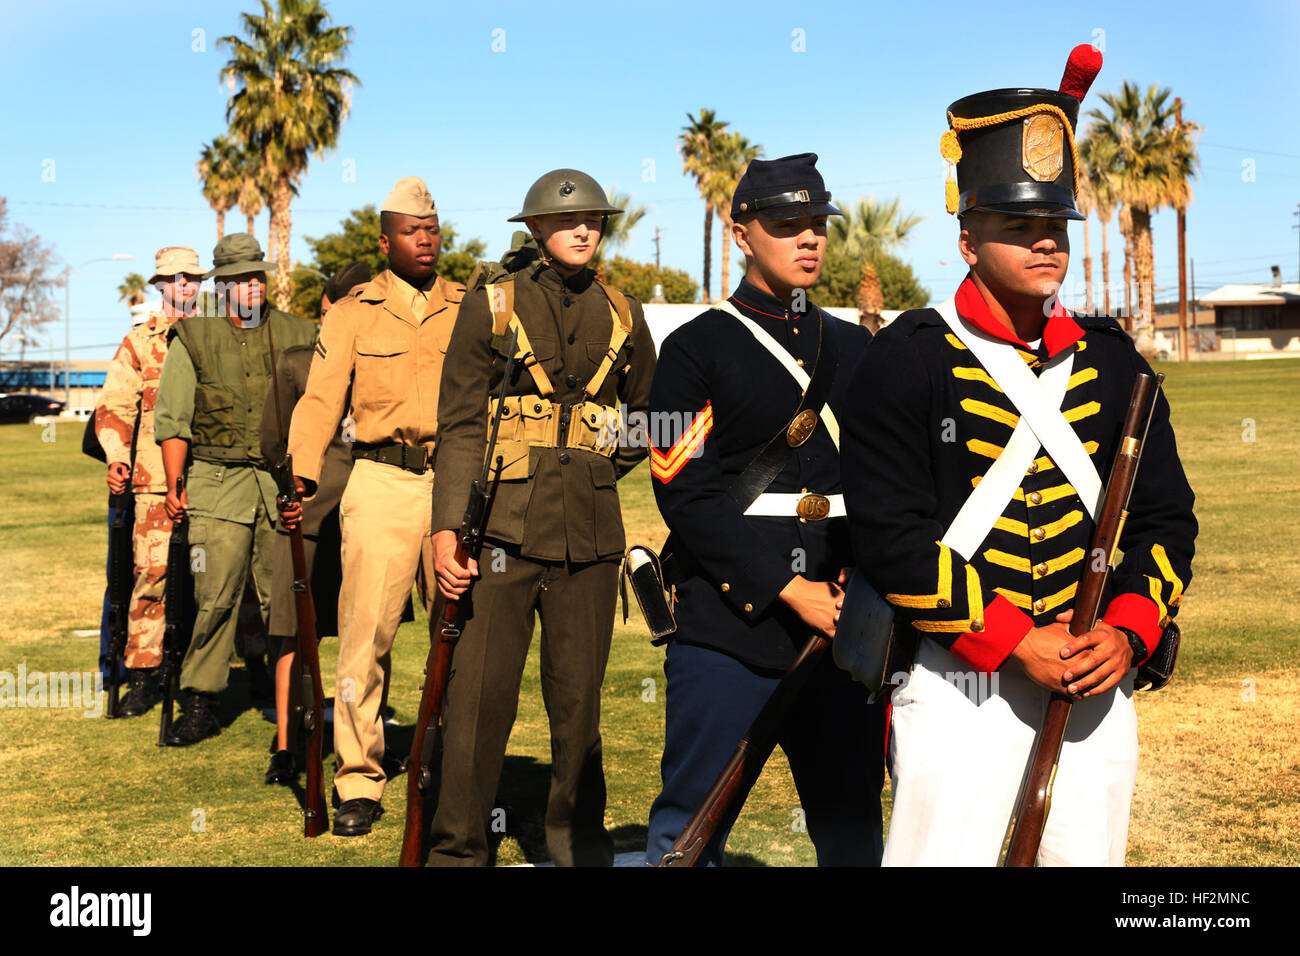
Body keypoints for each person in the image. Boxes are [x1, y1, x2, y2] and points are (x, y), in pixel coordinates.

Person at [840, 51, 1197, 865]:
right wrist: (1011, 640)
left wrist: (1130, 629)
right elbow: (892, 538)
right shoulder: (907, 359)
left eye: (1056, 227)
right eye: (1017, 226)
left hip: (1094, 674)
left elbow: (1164, 518)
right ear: (968, 239)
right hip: (962, 676)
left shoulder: (1114, 364)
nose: (1045, 243)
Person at [643, 153, 884, 866]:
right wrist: (788, 589)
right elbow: (683, 490)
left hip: (844, 629)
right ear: (741, 231)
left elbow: (888, 479)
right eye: (787, 225)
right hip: (727, 630)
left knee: (852, 830)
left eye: (816, 224)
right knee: (689, 832)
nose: (808, 239)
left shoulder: (856, 347)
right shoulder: (690, 350)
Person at [429, 168, 657, 866]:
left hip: (589, 540)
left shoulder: (624, 313)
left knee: (578, 709)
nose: (583, 229)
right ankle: (459, 851)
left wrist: (597, 464)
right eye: (567, 220)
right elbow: (461, 422)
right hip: (498, 531)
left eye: (594, 219)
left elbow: (651, 416)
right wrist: (445, 529)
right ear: (535, 228)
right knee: (477, 704)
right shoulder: (493, 304)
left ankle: (577, 851)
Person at [287, 179, 465, 835]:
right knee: (365, 639)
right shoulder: (353, 313)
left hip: (455, 480)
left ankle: (452, 767)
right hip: (379, 481)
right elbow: (318, 401)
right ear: (385, 241)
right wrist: (300, 477)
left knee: (465, 635)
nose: (426, 240)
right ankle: (359, 780)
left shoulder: (468, 307)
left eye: (434, 229)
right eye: (413, 232)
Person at [154, 233, 317, 746]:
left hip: (281, 484)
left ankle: (292, 704)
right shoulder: (194, 338)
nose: (251, 286)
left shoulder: (300, 333)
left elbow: (319, 411)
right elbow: (173, 418)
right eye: (239, 279)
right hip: (216, 483)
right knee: (215, 595)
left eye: (257, 276)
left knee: (286, 597)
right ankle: (201, 700)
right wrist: (175, 485)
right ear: (220, 285)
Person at [260, 261, 370, 785]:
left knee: (366, 637)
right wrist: (290, 495)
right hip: (307, 519)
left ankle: (364, 746)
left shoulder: (386, 363)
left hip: (369, 515)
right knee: (294, 634)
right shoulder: (297, 364)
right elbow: (272, 441)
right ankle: (287, 745)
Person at [94, 246, 204, 716]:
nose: (184, 284)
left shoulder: (217, 336)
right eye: (175, 278)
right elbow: (114, 404)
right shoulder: (140, 342)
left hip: (213, 478)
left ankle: (221, 677)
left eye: (191, 277)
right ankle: (143, 674)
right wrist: (117, 457)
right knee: (151, 577)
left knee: (218, 581)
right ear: (160, 285)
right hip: (154, 481)